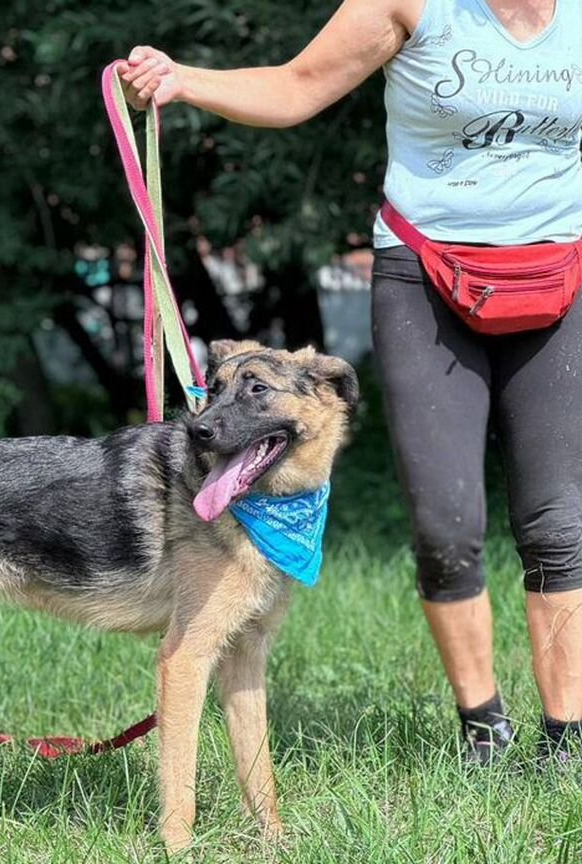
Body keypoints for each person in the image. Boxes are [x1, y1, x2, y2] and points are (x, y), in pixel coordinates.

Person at [118, 0, 582, 766]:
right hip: (427, 279)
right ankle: (484, 732)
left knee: (561, 528)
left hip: (559, 280)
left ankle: (565, 742)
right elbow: (299, 85)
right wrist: (181, 80)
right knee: (445, 527)